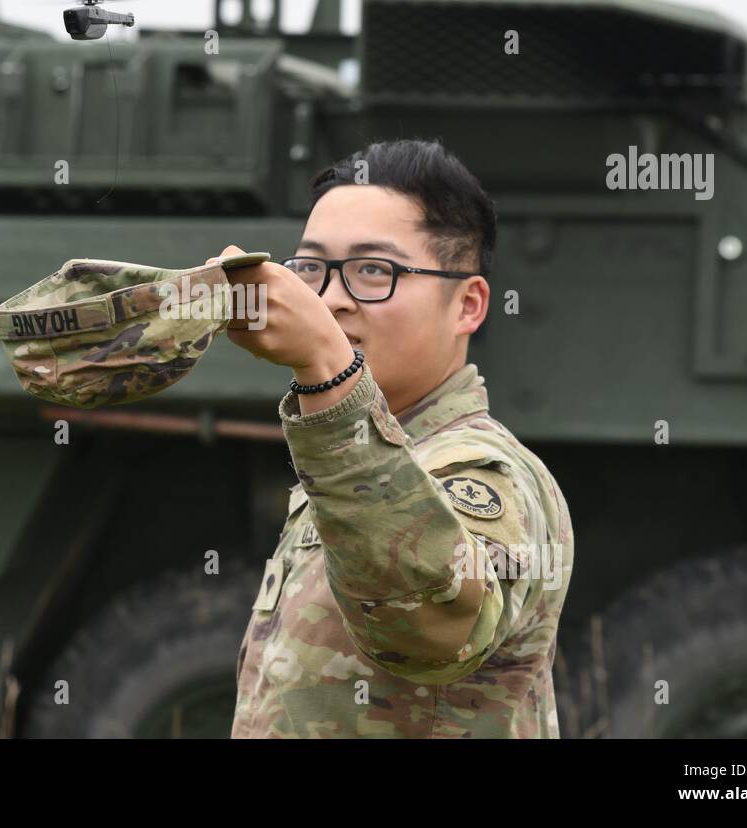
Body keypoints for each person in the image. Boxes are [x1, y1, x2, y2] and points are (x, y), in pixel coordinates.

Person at [215, 137, 574, 738]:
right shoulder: (360, 455)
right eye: (310, 270)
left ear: (468, 305)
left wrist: (329, 370)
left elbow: (434, 626)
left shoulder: (486, 472)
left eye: (372, 271)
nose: (329, 300)